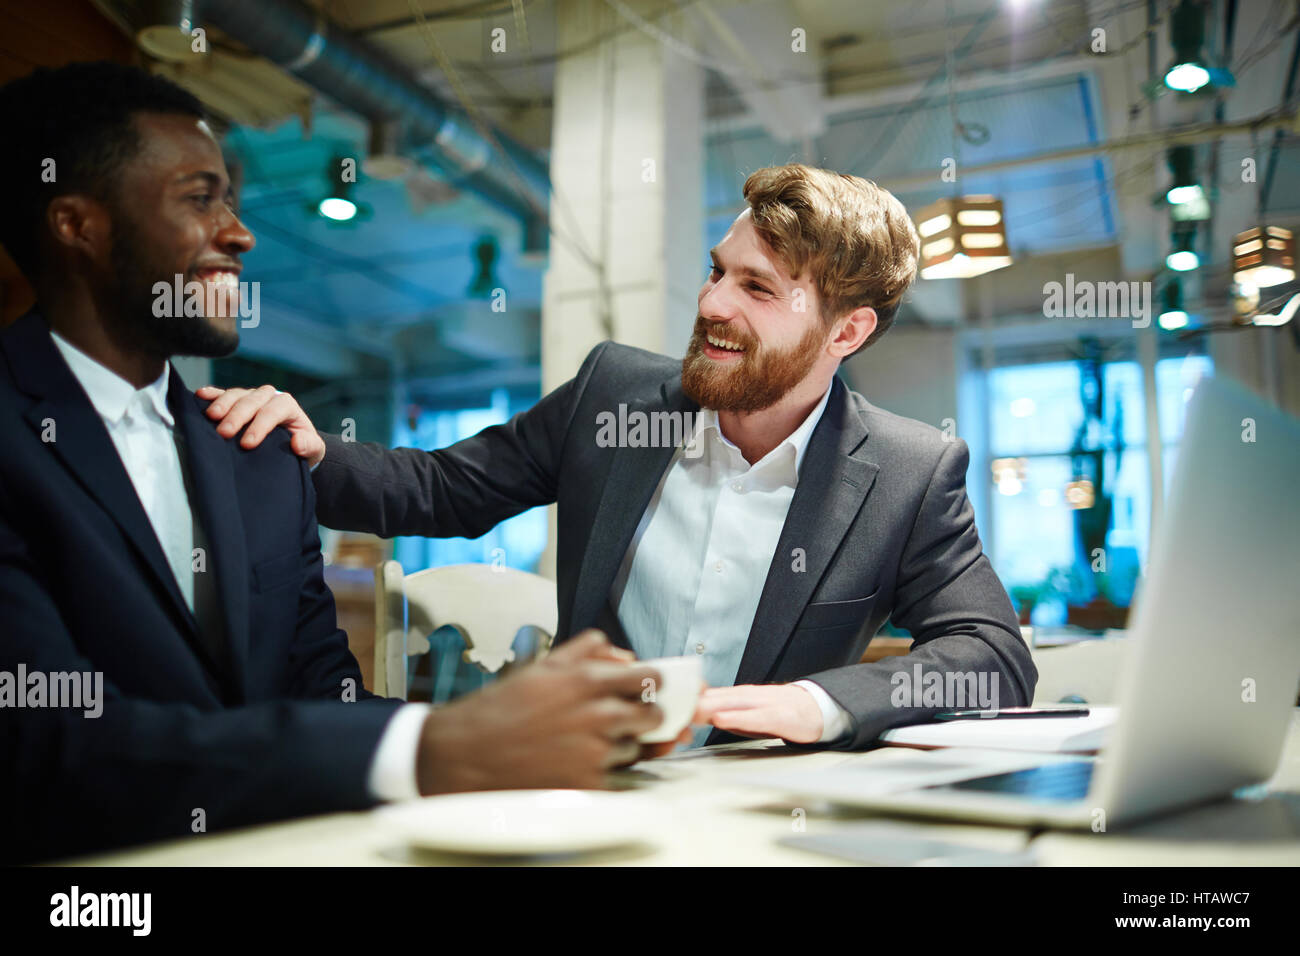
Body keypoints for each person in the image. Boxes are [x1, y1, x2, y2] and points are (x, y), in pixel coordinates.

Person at [0, 61, 672, 864]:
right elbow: (45, 749)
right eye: (199, 196)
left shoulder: (253, 450)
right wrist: (434, 746)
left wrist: (519, 744)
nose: (240, 231)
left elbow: (328, 690)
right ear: (78, 225)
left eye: (232, 199)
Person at [205, 163, 1038, 750]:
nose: (711, 304)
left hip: (761, 806)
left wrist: (814, 704)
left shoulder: (908, 472)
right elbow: (443, 490)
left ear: (846, 331)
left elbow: (992, 655)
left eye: (756, 288)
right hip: (585, 785)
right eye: (718, 272)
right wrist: (309, 452)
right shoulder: (614, 397)